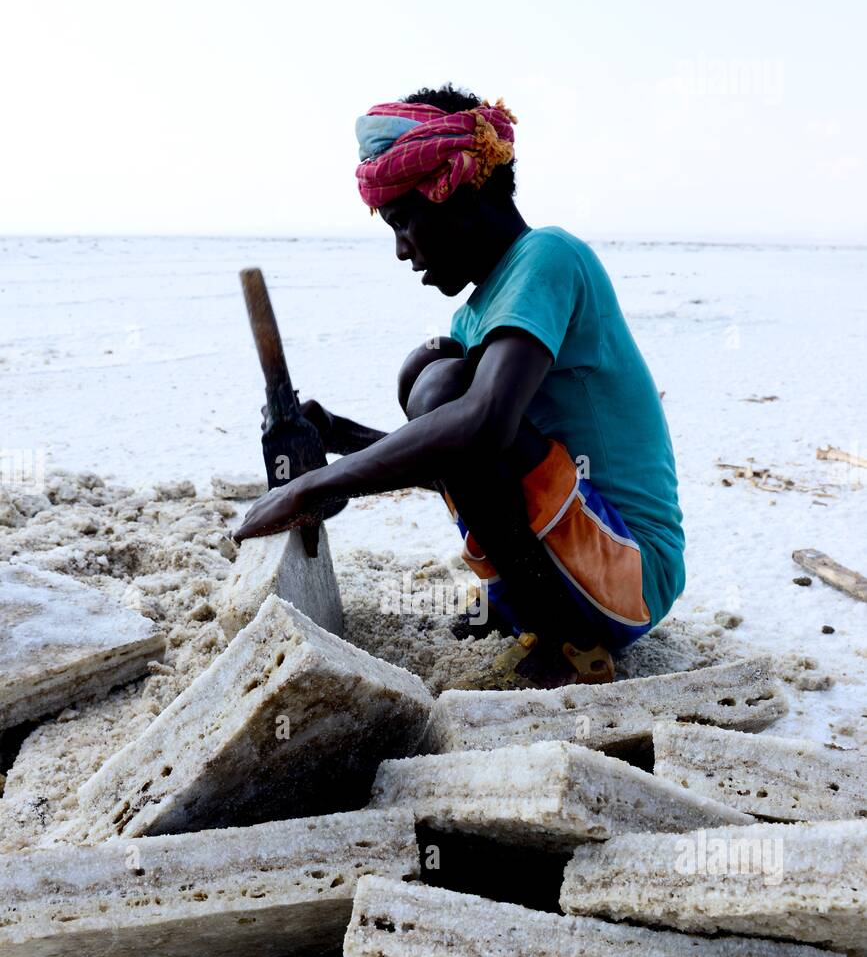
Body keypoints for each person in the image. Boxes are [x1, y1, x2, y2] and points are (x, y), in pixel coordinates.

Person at [236, 85, 685, 687]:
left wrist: (313, 486)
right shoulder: (475, 316)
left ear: (457, 188)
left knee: (440, 387)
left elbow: (484, 424)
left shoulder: (547, 255)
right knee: (428, 374)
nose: (400, 251)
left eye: (402, 223)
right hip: (578, 555)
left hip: (628, 572)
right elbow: (465, 462)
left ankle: (569, 643)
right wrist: (340, 435)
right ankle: (536, 616)